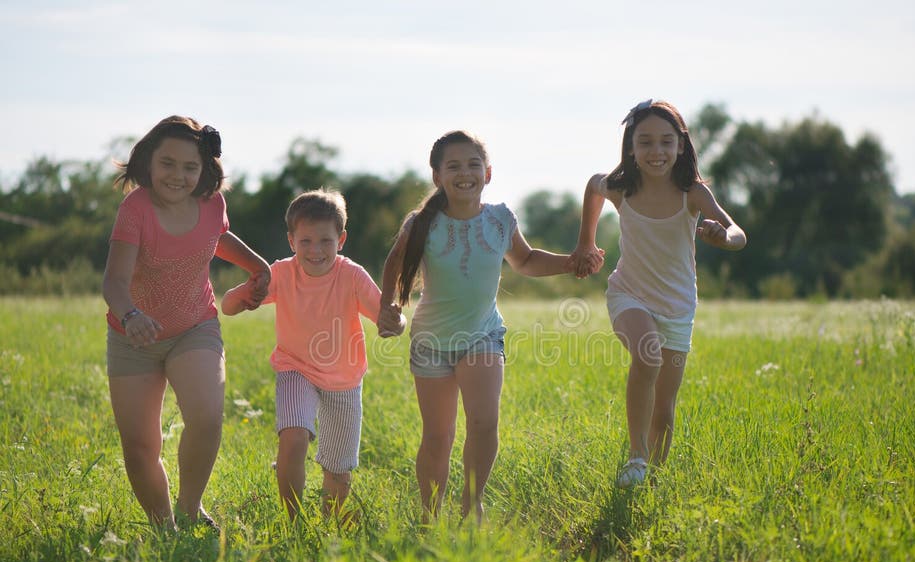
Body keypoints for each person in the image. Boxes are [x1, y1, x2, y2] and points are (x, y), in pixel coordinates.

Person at [378, 130, 591, 523]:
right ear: (437, 176)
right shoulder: (422, 223)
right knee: (438, 436)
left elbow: (526, 260)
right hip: (431, 342)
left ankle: (471, 505)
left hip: (483, 336)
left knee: (484, 422)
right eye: (454, 166)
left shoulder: (499, 219)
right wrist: (387, 304)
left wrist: (570, 261)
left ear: (488, 173)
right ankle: (429, 517)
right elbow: (394, 261)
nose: (465, 173)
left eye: (473, 164)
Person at [103, 115, 271, 530]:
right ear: (148, 161)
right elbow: (114, 282)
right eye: (168, 163)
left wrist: (257, 265)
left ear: (204, 169)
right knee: (140, 447)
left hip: (196, 327)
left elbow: (216, 237)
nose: (178, 175)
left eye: (190, 167)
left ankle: (191, 507)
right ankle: (164, 527)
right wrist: (130, 315)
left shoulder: (212, 204)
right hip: (133, 337)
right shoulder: (136, 209)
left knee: (207, 417)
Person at [572, 99, 746, 487]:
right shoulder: (621, 189)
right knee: (647, 354)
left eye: (666, 141)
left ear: (680, 145)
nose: (656, 151)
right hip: (629, 295)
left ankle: (652, 480)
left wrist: (724, 237)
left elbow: (738, 233)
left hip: (678, 308)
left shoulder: (693, 193)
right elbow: (593, 186)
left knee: (664, 408)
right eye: (645, 142)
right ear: (631, 147)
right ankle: (636, 457)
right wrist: (586, 243)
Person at [222, 189, 405, 521]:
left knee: (337, 469)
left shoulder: (352, 276)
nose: (315, 250)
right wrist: (247, 292)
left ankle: (329, 524)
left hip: (343, 380)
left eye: (325, 241)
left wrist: (396, 322)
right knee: (293, 439)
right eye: (305, 241)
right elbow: (229, 306)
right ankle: (293, 523)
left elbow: (387, 319)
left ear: (341, 240)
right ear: (291, 241)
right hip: (296, 368)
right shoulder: (282, 273)